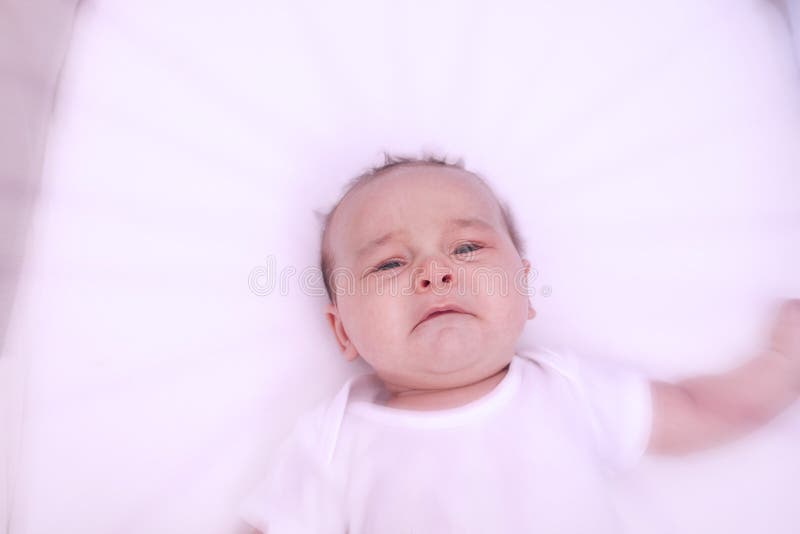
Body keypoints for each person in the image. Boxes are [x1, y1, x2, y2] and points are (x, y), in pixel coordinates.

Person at [240, 153, 800, 533]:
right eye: (389, 262)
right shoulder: (335, 439)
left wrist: (782, 361)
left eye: (466, 249)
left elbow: (705, 409)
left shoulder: (569, 391)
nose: (434, 272)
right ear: (342, 331)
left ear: (524, 292)